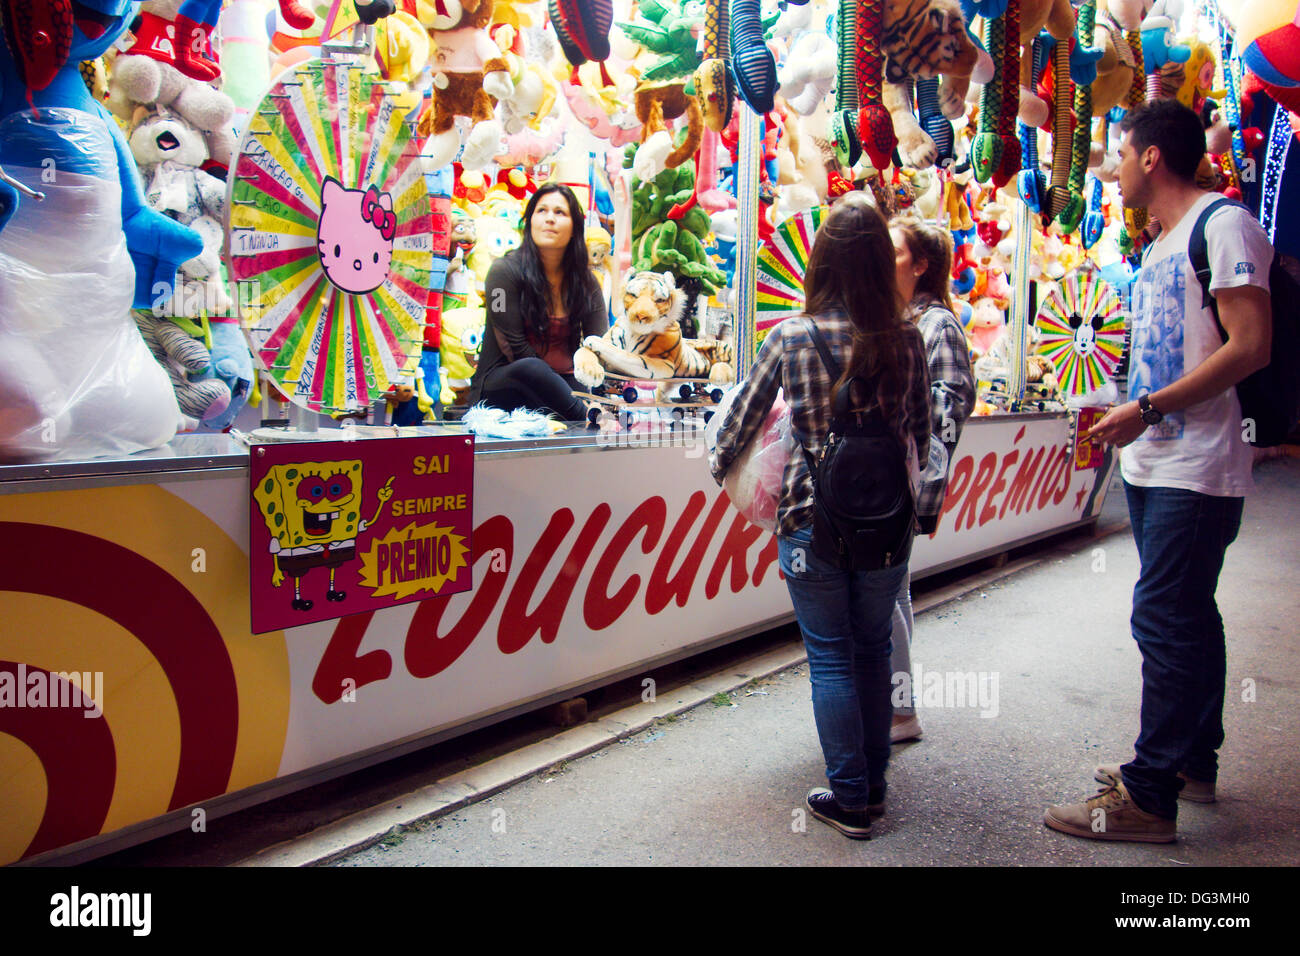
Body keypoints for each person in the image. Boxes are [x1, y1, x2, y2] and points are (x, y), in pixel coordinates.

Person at [1044, 98, 1273, 843]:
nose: (1110, 170)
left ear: (1151, 156)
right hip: (1153, 462)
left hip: (1198, 466)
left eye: (1119, 152)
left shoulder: (1223, 225)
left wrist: (1147, 407)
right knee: (1188, 616)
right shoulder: (1160, 244)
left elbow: (1250, 345)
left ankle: (1147, 797)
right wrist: (1124, 410)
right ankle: (1190, 763)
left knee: (1164, 618)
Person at [709, 194, 932, 839]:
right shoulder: (908, 338)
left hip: (812, 522)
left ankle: (851, 797)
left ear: (823, 262)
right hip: (888, 524)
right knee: (872, 648)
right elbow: (924, 431)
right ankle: (875, 788)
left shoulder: (791, 336)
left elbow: (739, 422)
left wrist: (721, 470)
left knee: (831, 656)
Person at [886, 214, 976, 745]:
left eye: (893, 251)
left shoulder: (936, 324)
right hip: (894, 472)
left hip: (905, 474)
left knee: (884, 590)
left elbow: (951, 406)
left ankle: (900, 711)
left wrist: (892, 409)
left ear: (920, 265)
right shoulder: (897, 319)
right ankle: (898, 705)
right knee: (893, 588)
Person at [468, 184, 607, 420]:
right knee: (532, 369)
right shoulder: (502, 273)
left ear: (575, 227)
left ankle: (590, 415)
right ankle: (588, 418)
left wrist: (581, 387)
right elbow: (514, 349)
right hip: (506, 383)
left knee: (591, 382)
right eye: (541, 211)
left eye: (560, 213)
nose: (549, 219)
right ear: (530, 221)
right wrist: (567, 395)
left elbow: (599, 344)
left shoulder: (587, 283)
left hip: (565, 383)